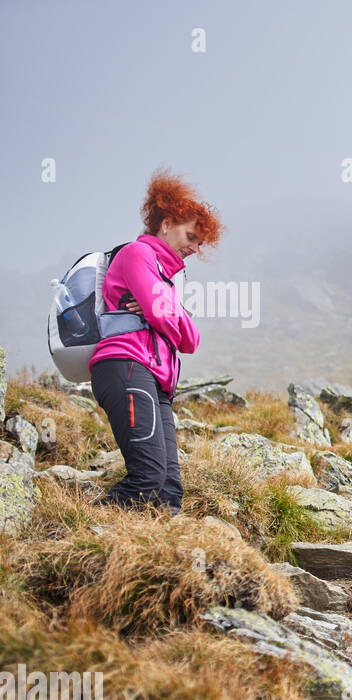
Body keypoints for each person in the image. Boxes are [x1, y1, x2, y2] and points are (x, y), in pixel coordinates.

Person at [88, 169, 222, 515]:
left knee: (169, 491)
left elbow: (191, 340)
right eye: (191, 236)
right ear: (165, 222)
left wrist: (163, 308)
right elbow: (166, 319)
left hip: (157, 382)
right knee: (147, 477)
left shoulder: (164, 280)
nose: (194, 248)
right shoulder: (137, 255)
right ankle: (84, 524)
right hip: (127, 367)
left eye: (199, 243)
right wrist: (162, 312)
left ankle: (162, 558)